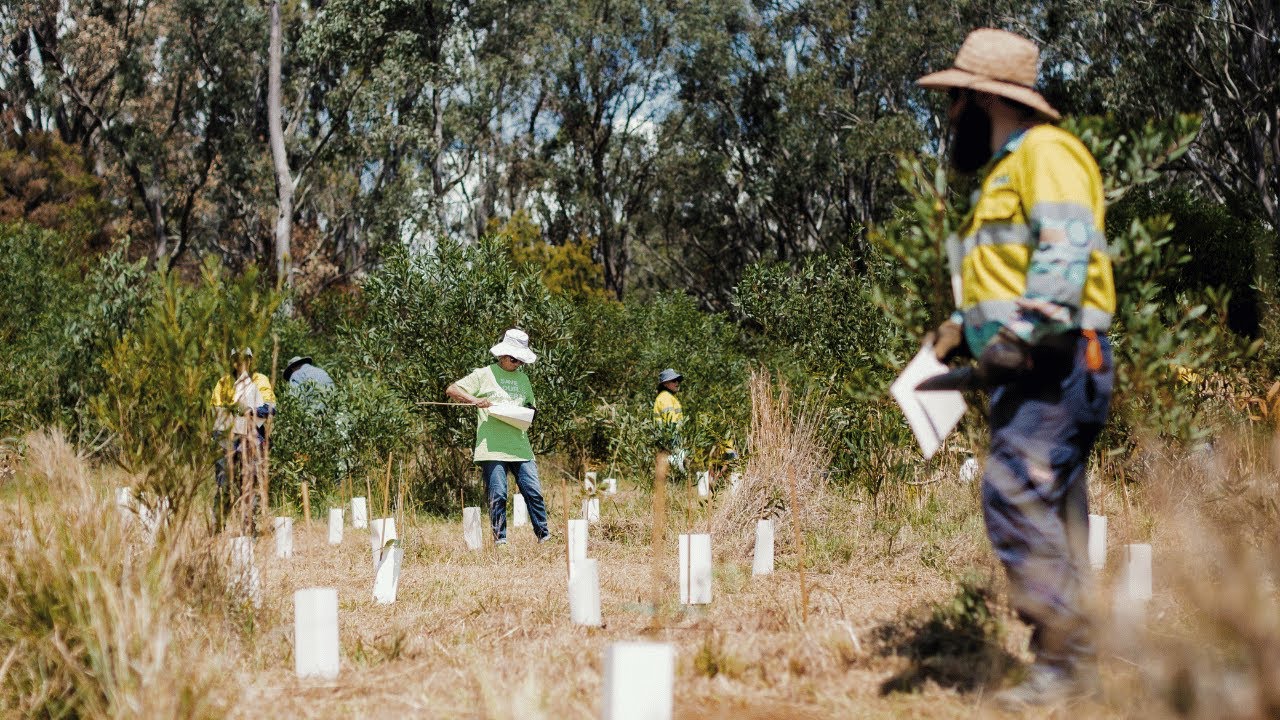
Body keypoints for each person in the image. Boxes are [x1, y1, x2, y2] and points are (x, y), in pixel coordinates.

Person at [915, 28, 1115, 709]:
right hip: (1033, 363)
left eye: (954, 103)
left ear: (978, 98)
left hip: (1053, 363)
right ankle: (1076, 666)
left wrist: (1020, 337)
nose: (949, 120)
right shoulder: (1008, 167)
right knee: (1056, 512)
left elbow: (1066, 250)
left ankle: (1066, 661)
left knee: (1011, 489)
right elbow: (1012, 273)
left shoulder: (1049, 153)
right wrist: (963, 334)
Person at [445, 329, 550, 545]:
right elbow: (452, 389)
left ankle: (544, 537)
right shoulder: (484, 374)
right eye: (514, 358)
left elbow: (530, 405)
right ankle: (500, 541)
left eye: (521, 360)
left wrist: (530, 411)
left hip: (520, 446)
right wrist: (474, 400)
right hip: (492, 447)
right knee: (498, 494)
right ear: (502, 355)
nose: (517, 363)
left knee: (534, 492)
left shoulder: (524, 380)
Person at [211, 347, 277, 523]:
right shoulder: (223, 383)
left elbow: (270, 408)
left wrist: (252, 410)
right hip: (227, 440)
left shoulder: (259, 380)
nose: (240, 363)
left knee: (251, 483)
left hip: (252, 439)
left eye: (244, 359)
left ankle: (250, 526)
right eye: (236, 359)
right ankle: (218, 526)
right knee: (223, 484)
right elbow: (217, 413)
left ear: (250, 360)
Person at [653, 368, 685, 471]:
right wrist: (675, 445)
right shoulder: (666, 398)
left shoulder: (669, 397)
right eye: (674, 381)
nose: (677, 383)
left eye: (678, 381)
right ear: (665, 384)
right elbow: (671, 423)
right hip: (670, 441)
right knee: (675, 471)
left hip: (671, 440)